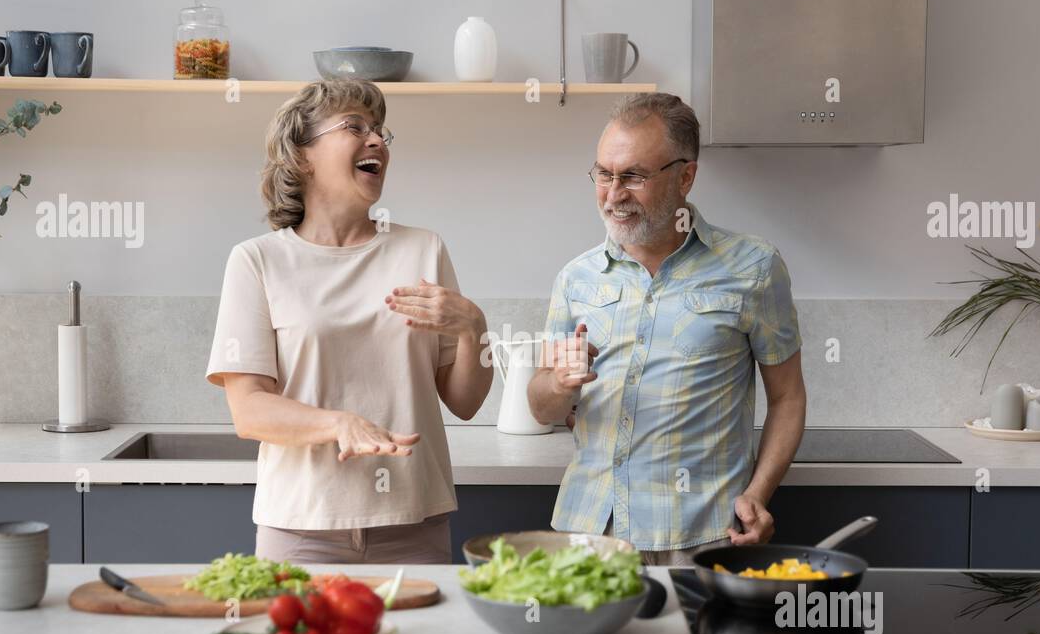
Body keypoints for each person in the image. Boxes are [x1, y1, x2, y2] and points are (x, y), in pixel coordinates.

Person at [205, 79, 492, 563]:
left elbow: (464, 402)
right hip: (303, 527)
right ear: (301, 156)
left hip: (414, 519)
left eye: (380, 130)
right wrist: (340, 425)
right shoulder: (257, 261)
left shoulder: (423, 249)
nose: (377, 140)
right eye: (354, 127)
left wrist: (474, 327)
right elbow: (249, 411)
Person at [528, 93, 806, 566]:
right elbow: (540, 406)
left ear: (685, 176)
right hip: (589, 531)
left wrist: (758, 494)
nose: (613, 194)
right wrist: (556, 384)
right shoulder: (577, 277)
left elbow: (788, 397)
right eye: (603, 174)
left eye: (633, 176)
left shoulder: (753, 267)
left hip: (702, 533)